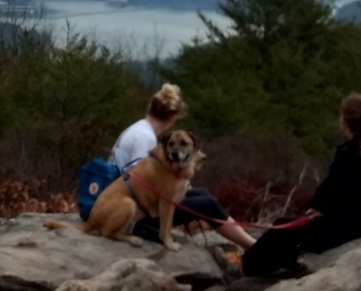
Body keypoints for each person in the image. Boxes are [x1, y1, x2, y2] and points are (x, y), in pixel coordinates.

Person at [241, 93, 361, 279]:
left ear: (344, 121)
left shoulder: (348, 154)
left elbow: (329, 194)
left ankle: (247, 269)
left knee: (284, 227)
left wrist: (318, 209)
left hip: (354, 227)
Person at [110, 83, 257, 250]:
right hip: (140, 213)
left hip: (130, 199)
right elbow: (142, 185)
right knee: (208, 204)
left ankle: (251, 242)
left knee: (202, 194)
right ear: (174, 117)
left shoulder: (138, 129)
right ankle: (252, 245)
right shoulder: (145, 138)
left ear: (149, 107)